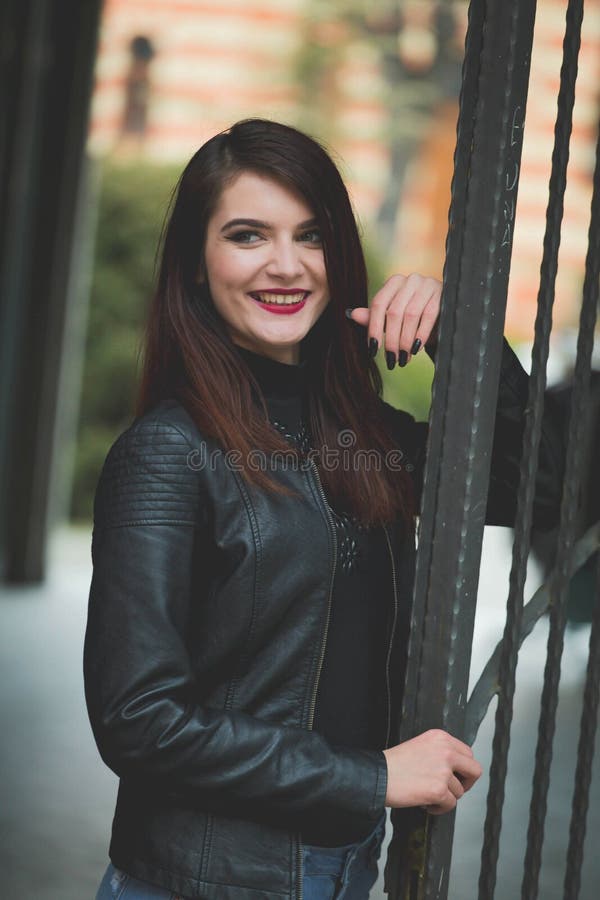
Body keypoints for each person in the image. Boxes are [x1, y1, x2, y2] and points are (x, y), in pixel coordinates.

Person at [84, 118, 564, 900]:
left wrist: (464, 336)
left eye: (310, 237)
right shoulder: (166, 453)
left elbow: (548, 490)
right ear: (197, 267)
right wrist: (371, 776)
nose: (285, 266)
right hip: (209, 882)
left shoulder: (360, 439)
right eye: (247, 235)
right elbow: (139, 720)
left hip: (340, 871)